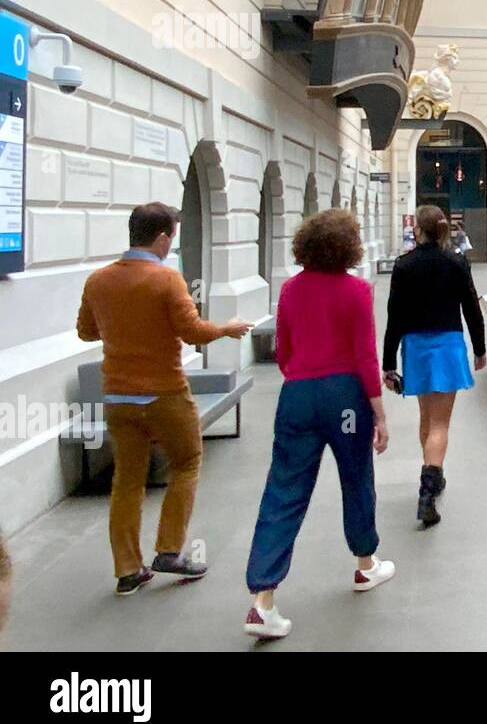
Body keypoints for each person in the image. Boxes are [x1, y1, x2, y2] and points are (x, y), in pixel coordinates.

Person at [75, 202, 252, 596]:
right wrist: (226, 328)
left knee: (127, 480)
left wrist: (124, 331)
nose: (170, 244)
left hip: (118, 395)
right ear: (160, 237)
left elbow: (86, 332)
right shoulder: (167, 280)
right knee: (186, 462)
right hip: (165, 392)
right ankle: (169, 550)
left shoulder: (98, 280)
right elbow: (192, 332)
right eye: (170, 237)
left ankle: (127, 569)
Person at [243, 209, 393, 640]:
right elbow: (365, 356)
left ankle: (263, 598)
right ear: (348, 246)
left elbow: (284, 350)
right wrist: (379, 414)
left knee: (284, 489)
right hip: (345, 397)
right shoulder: (357, 291)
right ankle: (365, 564)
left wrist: (303, 378)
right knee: (356, 477)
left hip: (298, 395)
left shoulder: (290, 290)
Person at [382, 204, 487, 528]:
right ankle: (428, 488)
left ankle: (431, 472)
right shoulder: (456, 262)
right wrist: (480, 350)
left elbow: (395, 317)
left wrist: (388, 363)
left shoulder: (404, 266)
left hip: (416, 348)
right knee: (441, 424)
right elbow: (471, 307)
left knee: (426, 417)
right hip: (448, 346)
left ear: (418, 229)